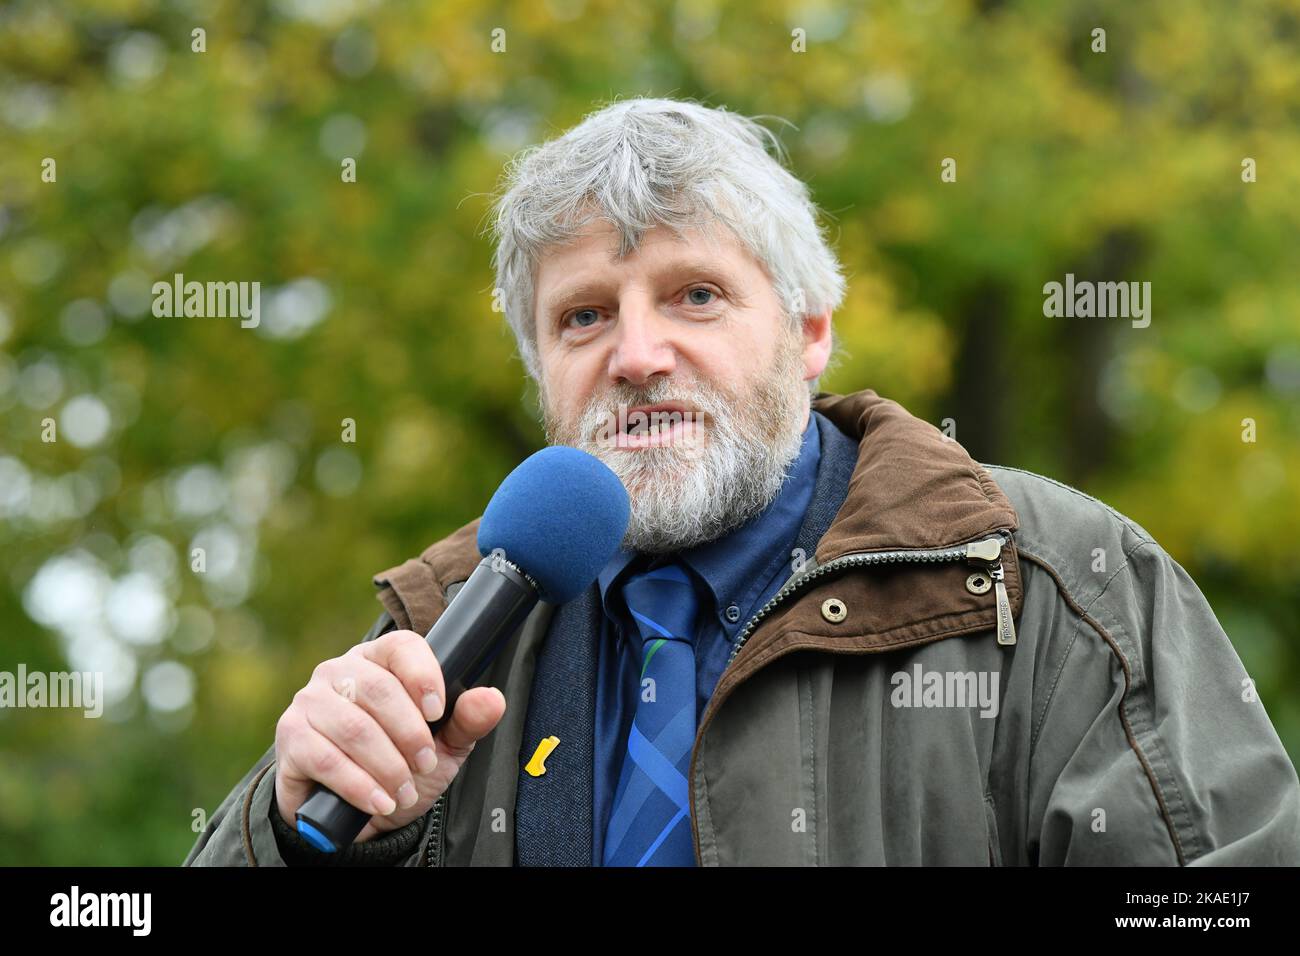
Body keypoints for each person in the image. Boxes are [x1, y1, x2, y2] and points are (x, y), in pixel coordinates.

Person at [185, 97, 1300, 867]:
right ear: (542, 371)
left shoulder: (1053, 585)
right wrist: (296, 835)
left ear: (809, 333)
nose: (636, 355)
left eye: (696, 296)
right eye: (584, 316)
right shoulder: (441, 635)